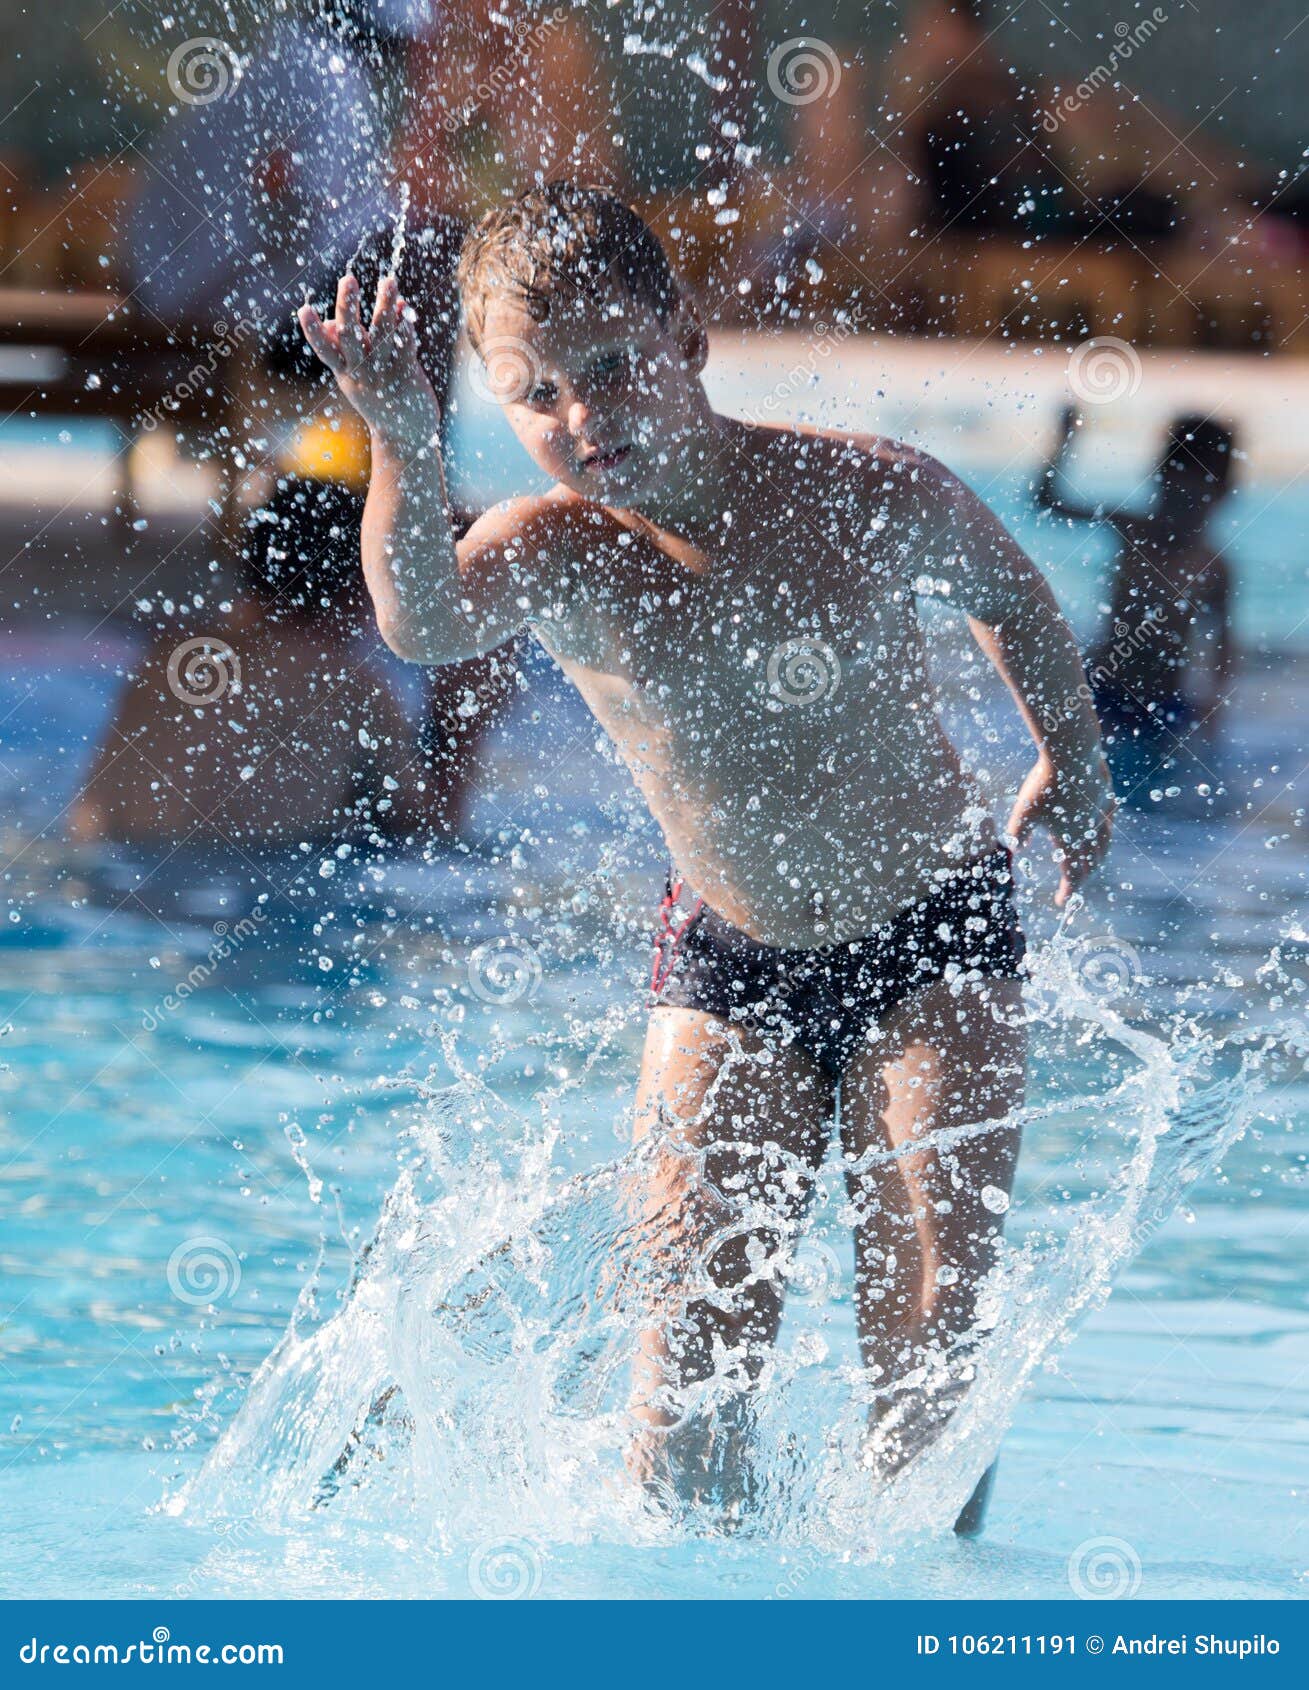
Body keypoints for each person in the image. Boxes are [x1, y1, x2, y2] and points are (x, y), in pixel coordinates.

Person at [297, 181, 1114, 1533]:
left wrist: (1070, 768)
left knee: (922, 1364)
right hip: (730, 965)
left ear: (684, 339)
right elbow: (423, 625)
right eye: (536, 392)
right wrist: (398, 435)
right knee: (681, 1388)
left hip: (933, 948)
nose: (582, 416)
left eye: (610, 366)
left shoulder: (859, 494)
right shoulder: (554, 552)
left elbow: (1008, 593)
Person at [71, 482, 424, 848]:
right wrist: (462, 720)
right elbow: (426, 831)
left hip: (112, 879)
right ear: (360, 587)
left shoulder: (170, 658)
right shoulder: (353, 685)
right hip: (245, 885)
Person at [1038, 407, 1237, 800]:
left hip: (1166, 709)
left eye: (1198, 496)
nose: (1185, 509)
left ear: (1222, 496)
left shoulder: (1214, 567)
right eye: (1177, 492)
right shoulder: (1131, 529)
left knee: (1165, 798)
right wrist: (1064, 442)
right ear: (1157, 479)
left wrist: (1213, 714)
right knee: (1089, 787)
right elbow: (1047, 503)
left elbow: (1224, 644)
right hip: (1104, 693)